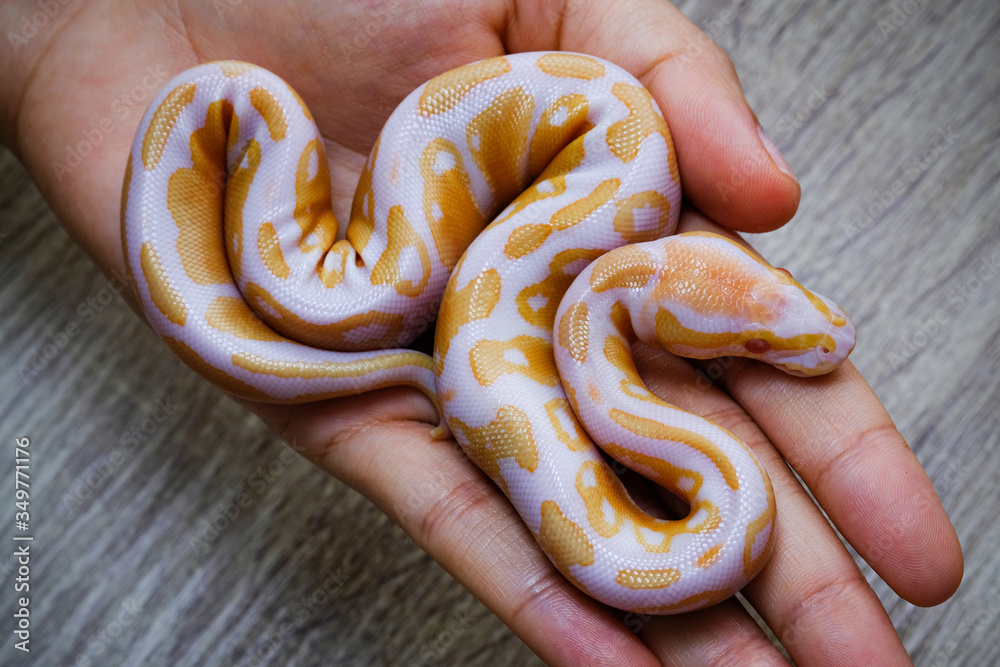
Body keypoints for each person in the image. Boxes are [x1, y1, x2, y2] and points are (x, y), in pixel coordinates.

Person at [0, 0, 962, 664]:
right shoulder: (607, 216)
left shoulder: (603, 285)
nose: (800, 335)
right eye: (761, 325)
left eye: (763, 325)